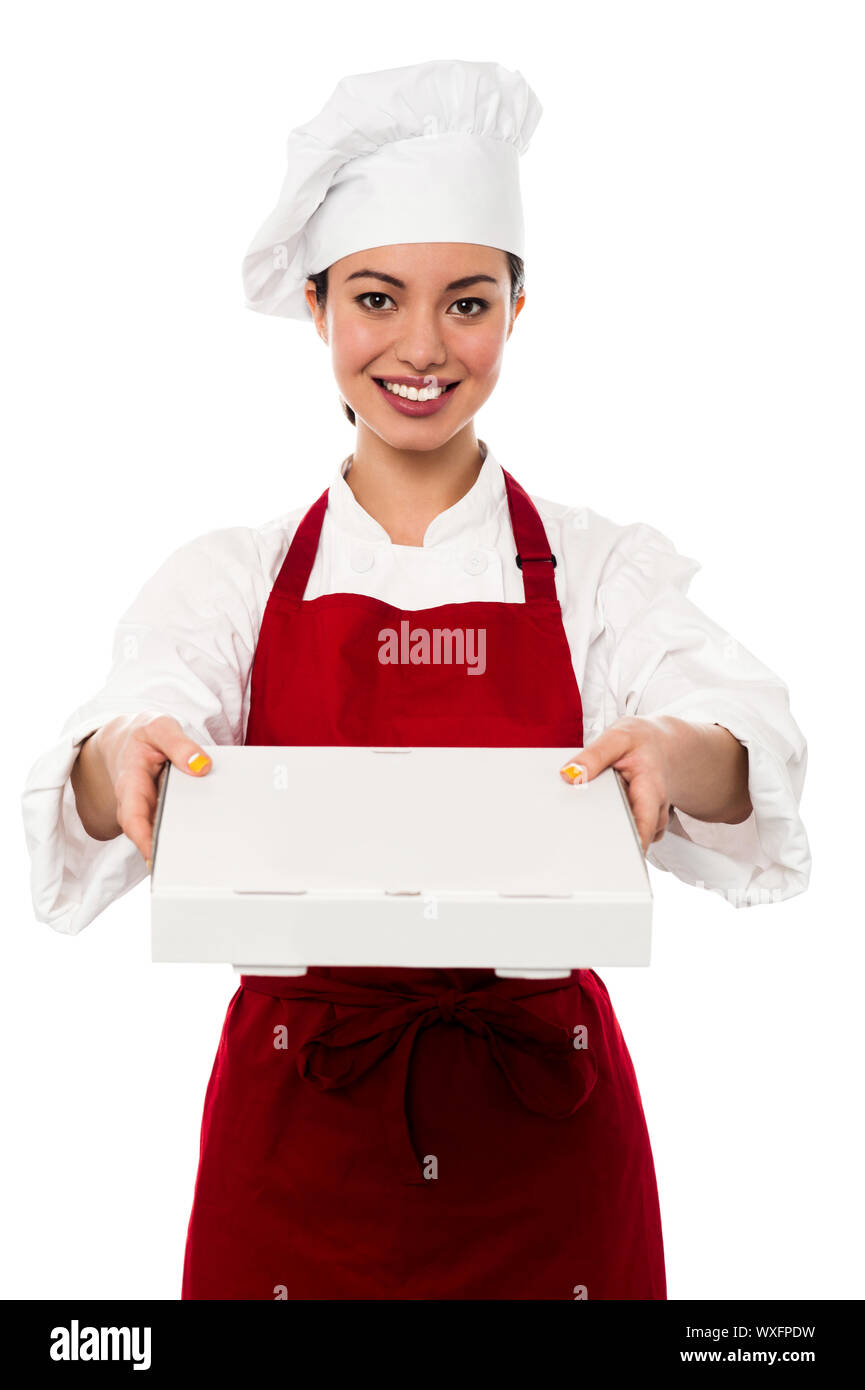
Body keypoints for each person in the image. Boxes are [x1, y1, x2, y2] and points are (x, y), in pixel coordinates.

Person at [22, 60, 810, 1300]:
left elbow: (739, 730)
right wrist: (114, 755)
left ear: (517, 309)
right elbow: (122, 723)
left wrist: (671, 748)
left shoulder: (595, 572)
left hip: (542, 1127)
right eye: (379, 298)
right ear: (319, 304)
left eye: (469, 303)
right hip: (300, 1128)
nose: (423, 349)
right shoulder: (234, 580)